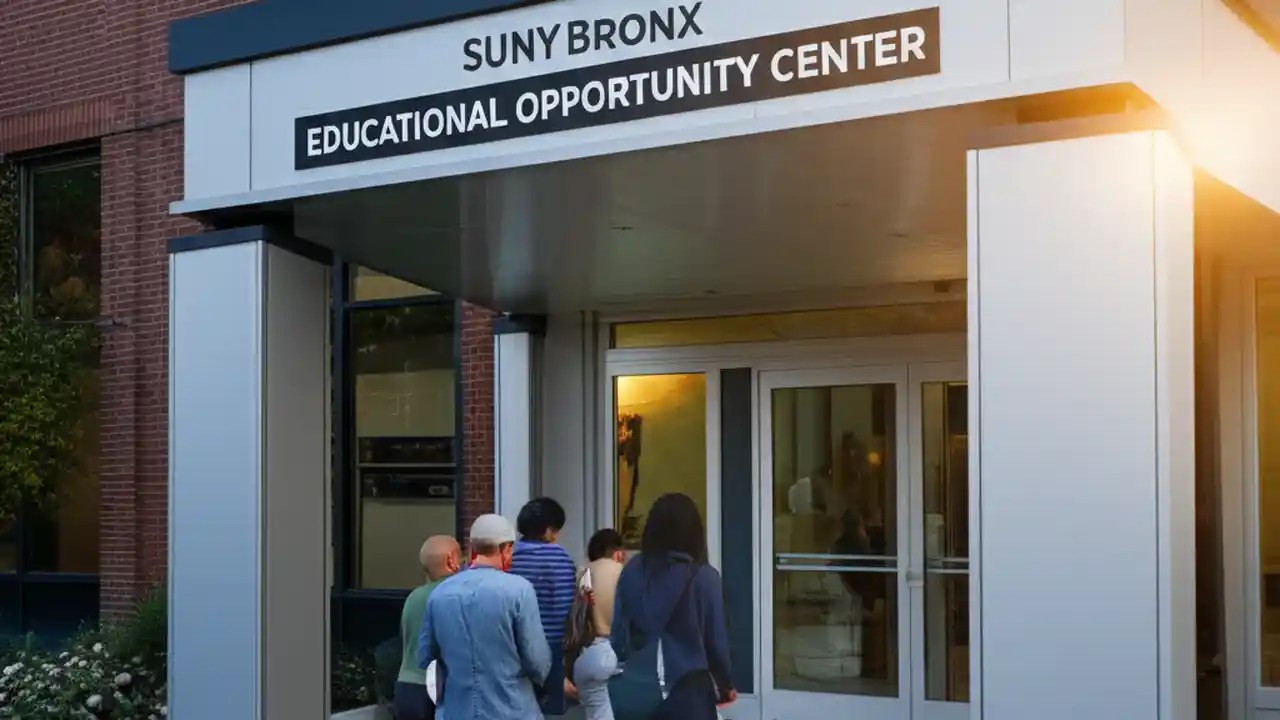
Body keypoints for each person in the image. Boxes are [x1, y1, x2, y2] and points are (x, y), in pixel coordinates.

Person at [610, 494, 735, 720]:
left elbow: (618, 636)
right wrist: (725, 684)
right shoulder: (704, 577)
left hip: (636, 689)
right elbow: (716, 643)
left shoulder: (631, 571)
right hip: (688, 692)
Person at [418, 514, 551, 720]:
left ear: (473, 549)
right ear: (505, 548)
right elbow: (537, 662)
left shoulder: (439, 594)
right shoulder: (519, 590)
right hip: (513, 709)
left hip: (456, 710)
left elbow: (426, 655)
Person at [510, 497, 578, 715]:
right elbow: (565, 604)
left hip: (512, 646)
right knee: (551, 708)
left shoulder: (508, 555)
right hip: (550, 644)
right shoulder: (559, 557)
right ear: (549, 531)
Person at [396, 535, 461, 720]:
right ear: (451, 559)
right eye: (461, 558)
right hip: (438, 690)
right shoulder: (455, 595)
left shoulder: (413, 597)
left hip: (407, 686)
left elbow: (405, 638)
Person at [571, 529, 626, 720]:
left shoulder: (582, 573)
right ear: (617, 552)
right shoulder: (625, 572)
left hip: (590, 655)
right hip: (620, 655)